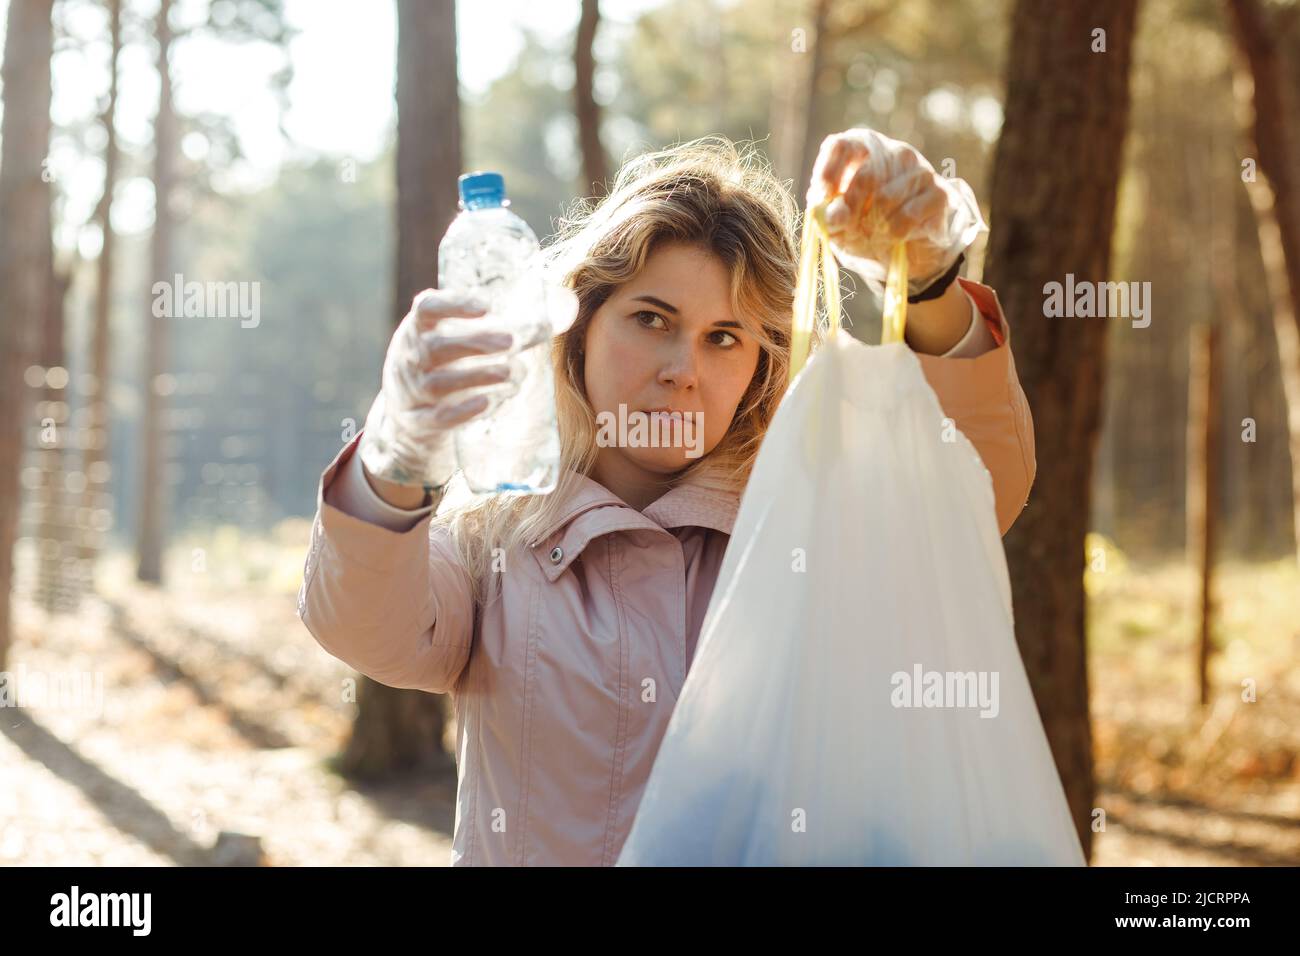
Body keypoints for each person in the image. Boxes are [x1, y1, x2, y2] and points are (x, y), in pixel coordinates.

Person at [297, 129, 1037, 866]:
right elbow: (365, 626)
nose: (683, 369)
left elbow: (972, 491)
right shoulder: (496, 532)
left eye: (724, 338)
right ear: (579, 330)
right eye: (652, 320)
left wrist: (932, 283)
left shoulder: (804, 524)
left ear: (759, 367)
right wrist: (397, 451)